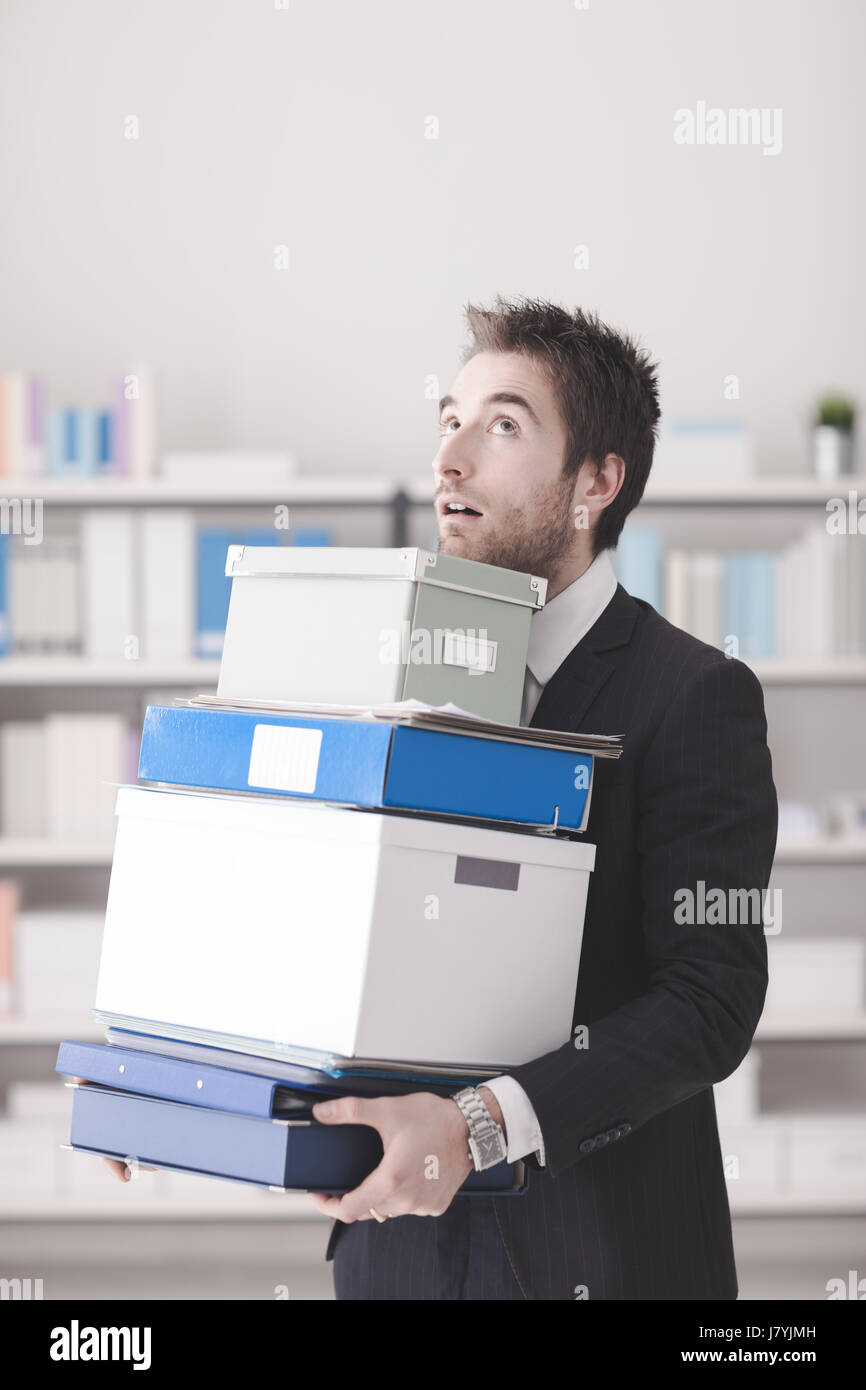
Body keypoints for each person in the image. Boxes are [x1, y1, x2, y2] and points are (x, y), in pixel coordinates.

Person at [313, 296, 778, 1300]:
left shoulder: (695, 696)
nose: (449, 458)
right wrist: (185, 1080)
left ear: (595, 483)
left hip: (599, 1257)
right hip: (392, 1254)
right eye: (448, 418)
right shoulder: (391, 678)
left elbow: (711, 999)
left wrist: (478, 1126)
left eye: (502, 424)